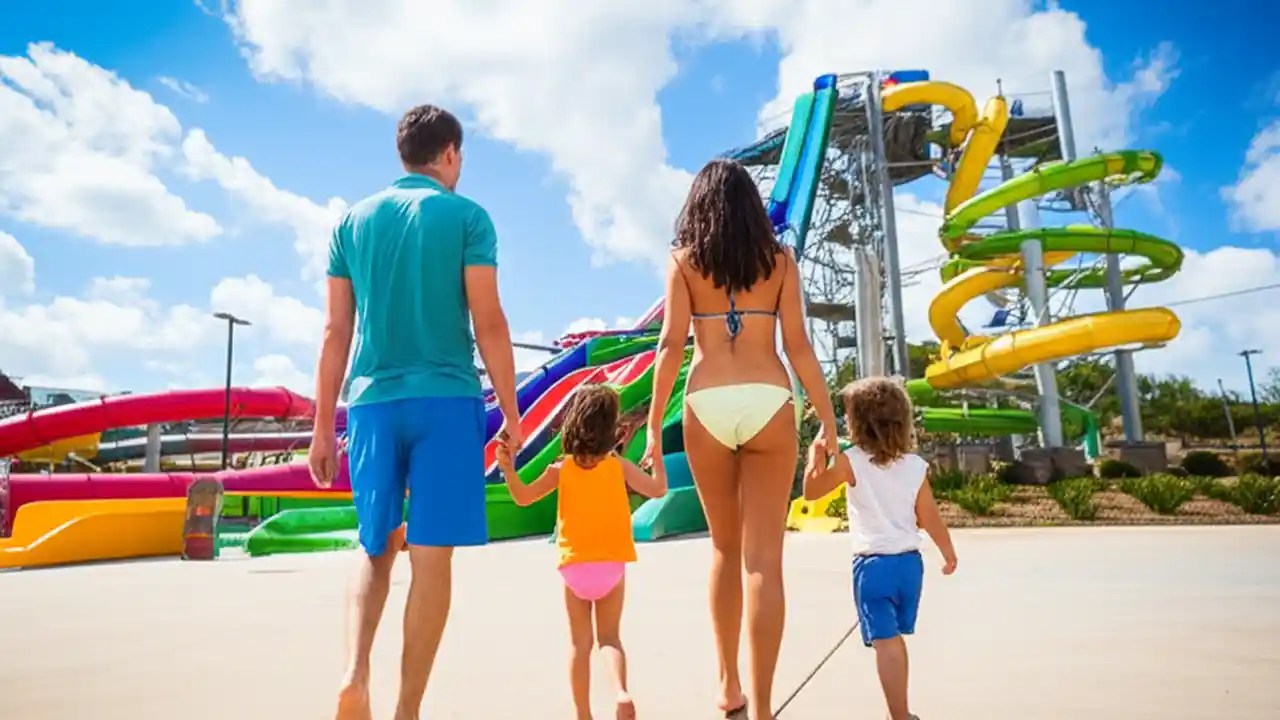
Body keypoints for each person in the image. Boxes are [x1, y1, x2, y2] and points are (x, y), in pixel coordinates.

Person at [309, 104, 523, 720]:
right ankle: (407, 711)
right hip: (448, 398)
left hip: (372, 403)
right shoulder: (467, 217)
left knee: (373, 546)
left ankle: (354, 674)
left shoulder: (352, 221)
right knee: (431, 558)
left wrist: (324, 426)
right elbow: (489, 321)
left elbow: (334, 332)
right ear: (450, 153)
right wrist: (511, 411)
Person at [646, 158, 841, 719]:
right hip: (769, 399)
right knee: (764, 561)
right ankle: (762, 708)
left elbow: (669, 346)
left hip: (706, 402)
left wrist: (657, 428)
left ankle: (729, 686)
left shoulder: (683, 261)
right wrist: (827, 421)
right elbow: (799, 346)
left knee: (724, 550)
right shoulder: (780, 260)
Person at [497, 384, 667, 720]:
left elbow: (522, 497)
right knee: (610, 639)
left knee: (579, 645)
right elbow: (658, 489)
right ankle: (620, 692)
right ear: (610, 429)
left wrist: (507, 469)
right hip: (611, 566)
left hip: (575, 568)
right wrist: (656, 454)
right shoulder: (617, 466)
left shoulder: (562, 469)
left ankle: (583, 715)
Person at [802, 376, 958, 720]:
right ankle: (900, 712)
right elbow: (928, 516)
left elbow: (811, 492)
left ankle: (899, 715)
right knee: (896, 639)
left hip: (872, 567)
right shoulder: (915, 466)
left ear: (858, 423)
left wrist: (815, 457)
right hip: (909, 566)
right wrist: (948, 552)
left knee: (886, 644)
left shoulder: (850, 462)